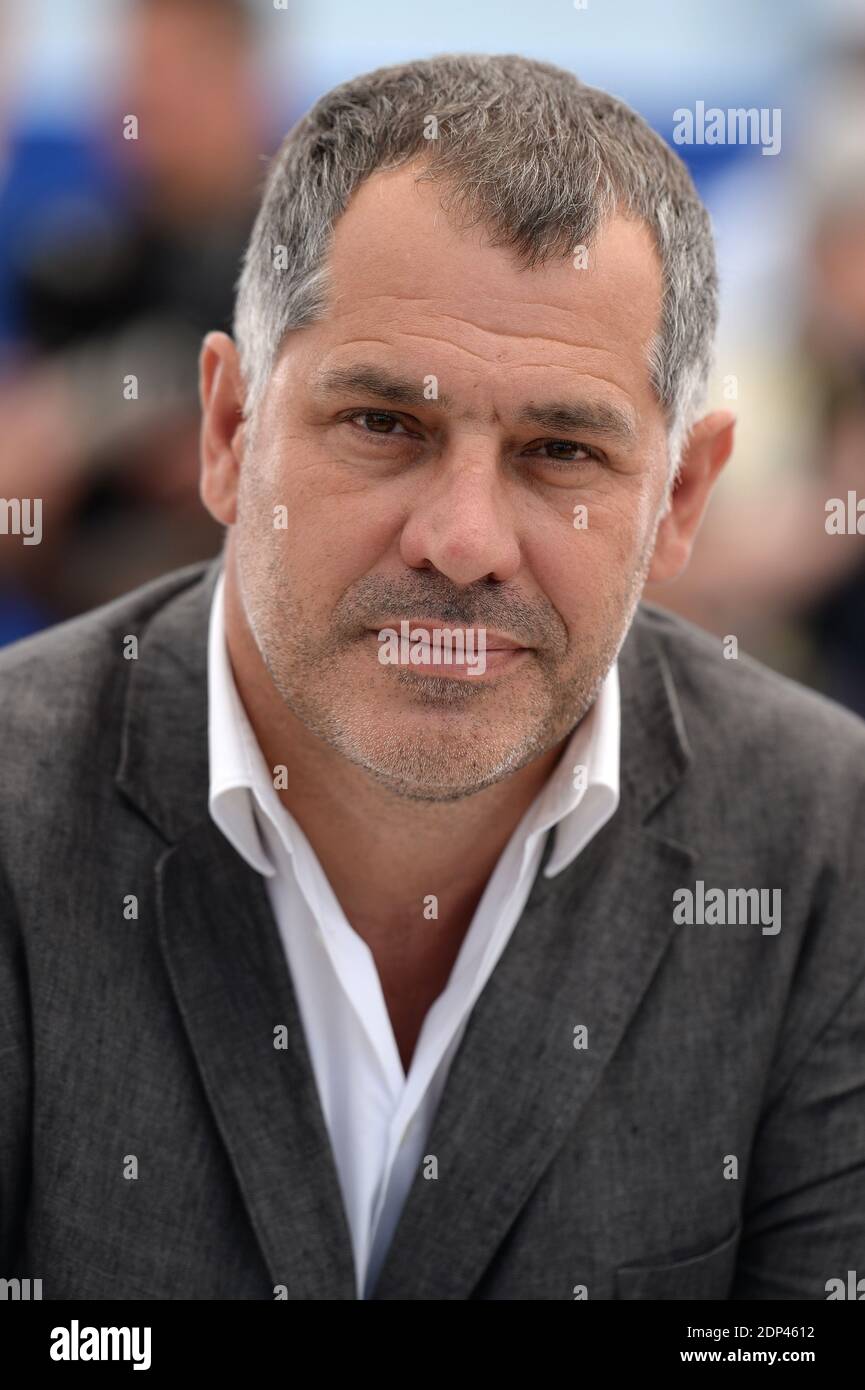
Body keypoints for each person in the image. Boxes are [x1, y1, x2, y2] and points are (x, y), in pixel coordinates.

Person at [0, 54, 863, 1302]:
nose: (461, 540)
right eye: (384, 425)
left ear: (679, 497)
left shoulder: (823, 846)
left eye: (559, 450)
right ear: (230, 431)